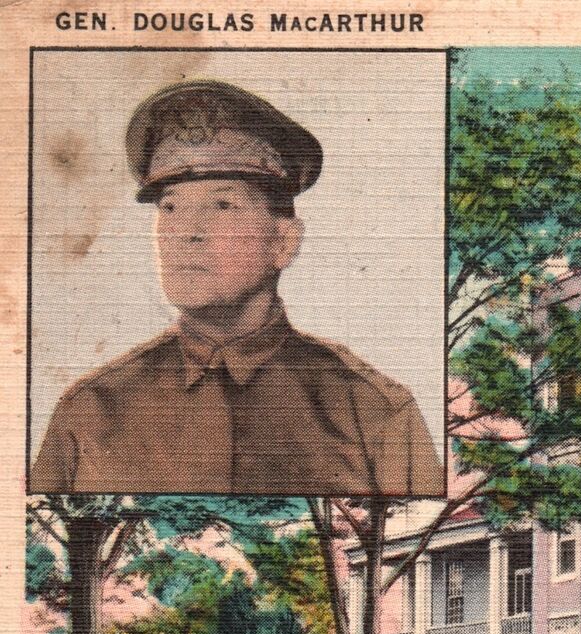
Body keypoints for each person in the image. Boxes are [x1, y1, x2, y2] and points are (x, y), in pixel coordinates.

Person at [30, 79, 445, 496]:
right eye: (170, 207)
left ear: (284, 242)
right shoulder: (90, 410)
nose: (187, 233)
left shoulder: (371, 411)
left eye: (222, 205)